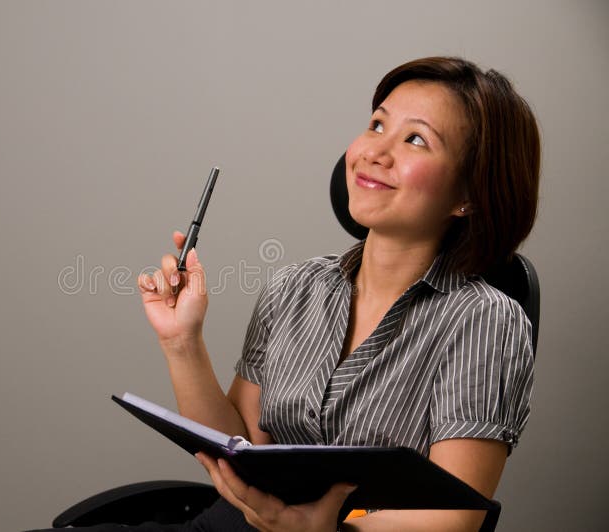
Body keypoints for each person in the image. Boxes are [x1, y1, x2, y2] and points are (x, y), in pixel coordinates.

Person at [51, 56, 540, 532]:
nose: (374, 151)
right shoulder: (296, 286)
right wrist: (182, 340)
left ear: (469, 194)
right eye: (376, 125)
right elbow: (240, 447)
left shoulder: (484, 321)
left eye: (415, 139)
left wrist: (327, 529)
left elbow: (455, 517)